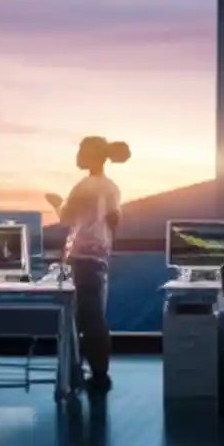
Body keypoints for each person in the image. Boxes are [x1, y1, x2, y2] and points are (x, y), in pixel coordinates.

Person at [46, 136, 130, 394]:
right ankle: (97, 373)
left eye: (81, 150)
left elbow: (67, 218)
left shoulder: (85, 186)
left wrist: (56, 202)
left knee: (83, 318)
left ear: (91, 155)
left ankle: (92, 376)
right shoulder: (111, 187)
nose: (77, 155)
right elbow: (114, 219)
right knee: (94, 315)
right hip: (98, 258)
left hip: (82, 257)